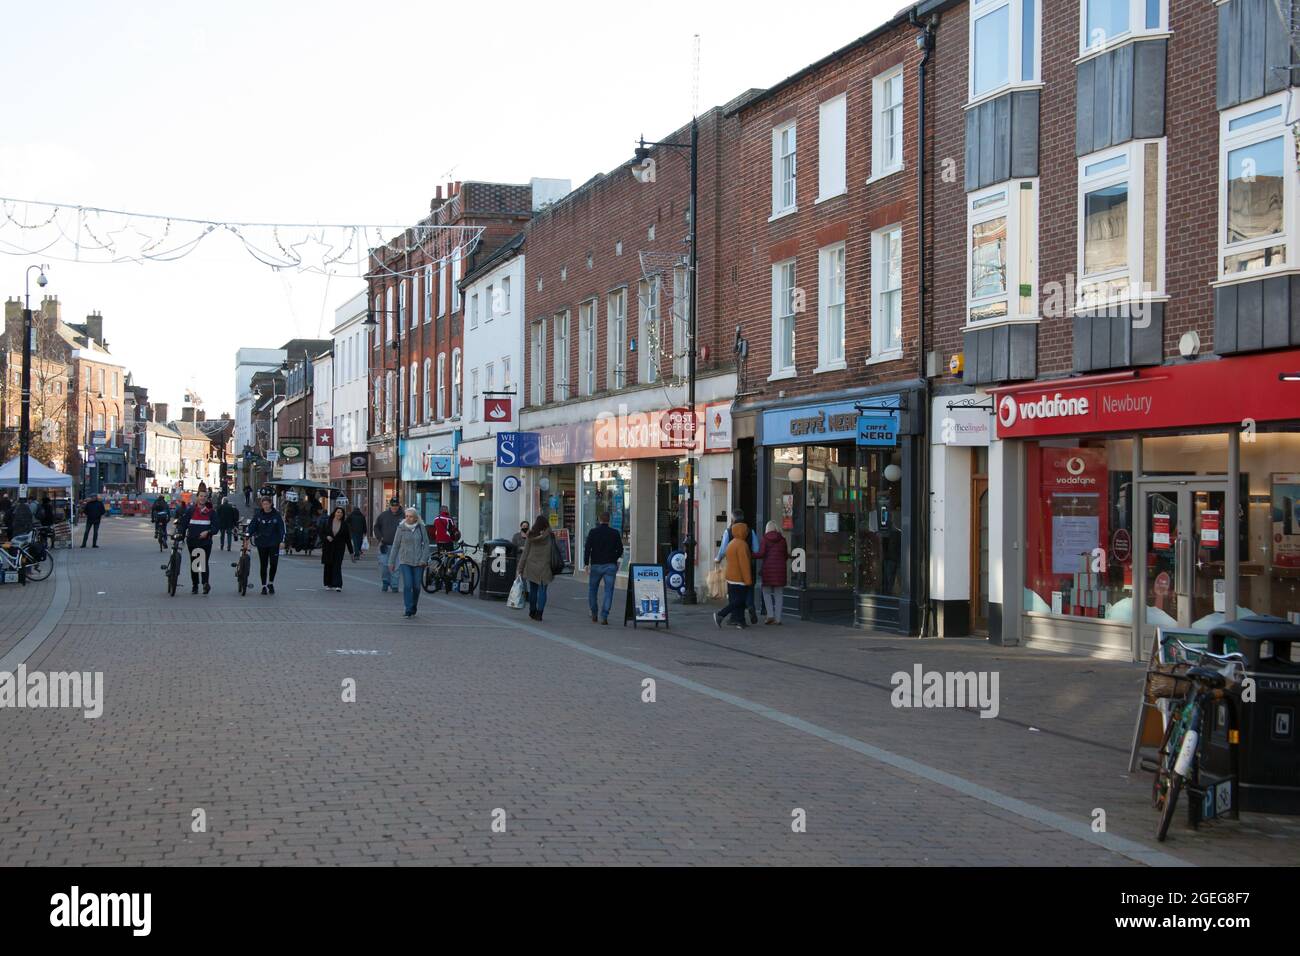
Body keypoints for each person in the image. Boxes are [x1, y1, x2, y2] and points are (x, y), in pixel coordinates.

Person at [715, 509, 760, 624]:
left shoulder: (728, 531)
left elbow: (723, 549)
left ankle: (734, 617)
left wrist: (718, 559)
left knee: (734, 594)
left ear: (733, 519)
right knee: (748, 589)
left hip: (732, 568)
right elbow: (756, 549)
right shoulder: (750, 531)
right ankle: (749, 606)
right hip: (748, 565)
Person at [388, 507, 430, 617]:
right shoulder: (401, 528)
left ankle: (413, 605)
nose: (408, 518)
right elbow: (395, 546)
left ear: (416, 518)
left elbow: (426, 544)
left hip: (418, 562)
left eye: (410, 516)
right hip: (405, 561)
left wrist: (423, 559)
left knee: (416, 586)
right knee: (408, 585)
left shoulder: (421, 528)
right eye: (406, 516)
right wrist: (391, 562)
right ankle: (408, 608)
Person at [583, 511, 623, 625]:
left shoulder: (593, 532)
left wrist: (586, 563)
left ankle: (594, 612)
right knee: (608, 591)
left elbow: (587, 548)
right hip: (610, 565)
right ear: (609, 520)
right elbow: (620, 550)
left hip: (596, 565)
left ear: (599, 519)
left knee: (592, 589)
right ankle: (604, 615)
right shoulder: (615, 533)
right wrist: (613, 558)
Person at [517, 514, 556, 622]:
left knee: (533, 590)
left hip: (532, 566)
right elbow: (554, 551)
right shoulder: (550, 535)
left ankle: (532, 611)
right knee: (543, 590)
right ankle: (540, 613)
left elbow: (525, 553)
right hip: (545, 566)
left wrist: (520, 568)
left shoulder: (530, 535)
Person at [177, 490, 215, 594]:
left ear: (207, 498)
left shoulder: (211, 512)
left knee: (204, 563)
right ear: (197, 497)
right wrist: (180, 534)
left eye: (205, 496)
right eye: (201, 496)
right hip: (193, 541)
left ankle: (205, 584)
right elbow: (183, 524)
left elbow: (216, 527)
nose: (203, 498)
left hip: (206, 542)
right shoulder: (191, 510)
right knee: (195, 563)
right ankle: (195, 585)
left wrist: (208, 532)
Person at [247, 496, 285, 595]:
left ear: (271, 504)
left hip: (274, 543)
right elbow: (252, 526)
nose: (265, 506)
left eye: (267, 504)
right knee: (263, 564)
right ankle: (263, 586)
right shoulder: (258, 515)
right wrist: (248, 534)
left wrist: (282, 541)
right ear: (262, 505)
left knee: (273, 563)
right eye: (264, 504)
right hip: (262, 542)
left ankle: (270, 583)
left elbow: (281, 529)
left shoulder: (276, 515)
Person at [756, 521, 789, 625]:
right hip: (780, 570)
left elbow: (761, 554)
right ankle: (778, 619)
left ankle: (770, 615)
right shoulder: (783, 540)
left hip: (768, 570)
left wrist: (750, 554)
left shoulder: (765, 539)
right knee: (779, 594)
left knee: (766, 592)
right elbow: (785, 555)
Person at [373, 497, 404, 593]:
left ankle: (394, 585)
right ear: (389, 505)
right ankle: (385, 582)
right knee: (384, 565)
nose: (394, 507)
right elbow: (376, 527)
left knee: (397, 566)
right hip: (385, 545)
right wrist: (380, 538)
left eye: (396, 505)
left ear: (399, 506)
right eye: (393, 505)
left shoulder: (404, 516)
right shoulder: (383, 515)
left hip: (398, 546)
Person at [319, 506, 353, 591]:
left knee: (337, 565)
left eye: (341, 513)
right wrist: (326, 537)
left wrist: (351, 552)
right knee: (328, 565)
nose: (339, 514)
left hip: (339, 548)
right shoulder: (328, 522)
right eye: (338, 512)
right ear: (334, 513)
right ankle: (328, 584)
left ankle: (338, 585)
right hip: (328, 547)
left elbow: (347, 539)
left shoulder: (345, 525)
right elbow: (321, 532)